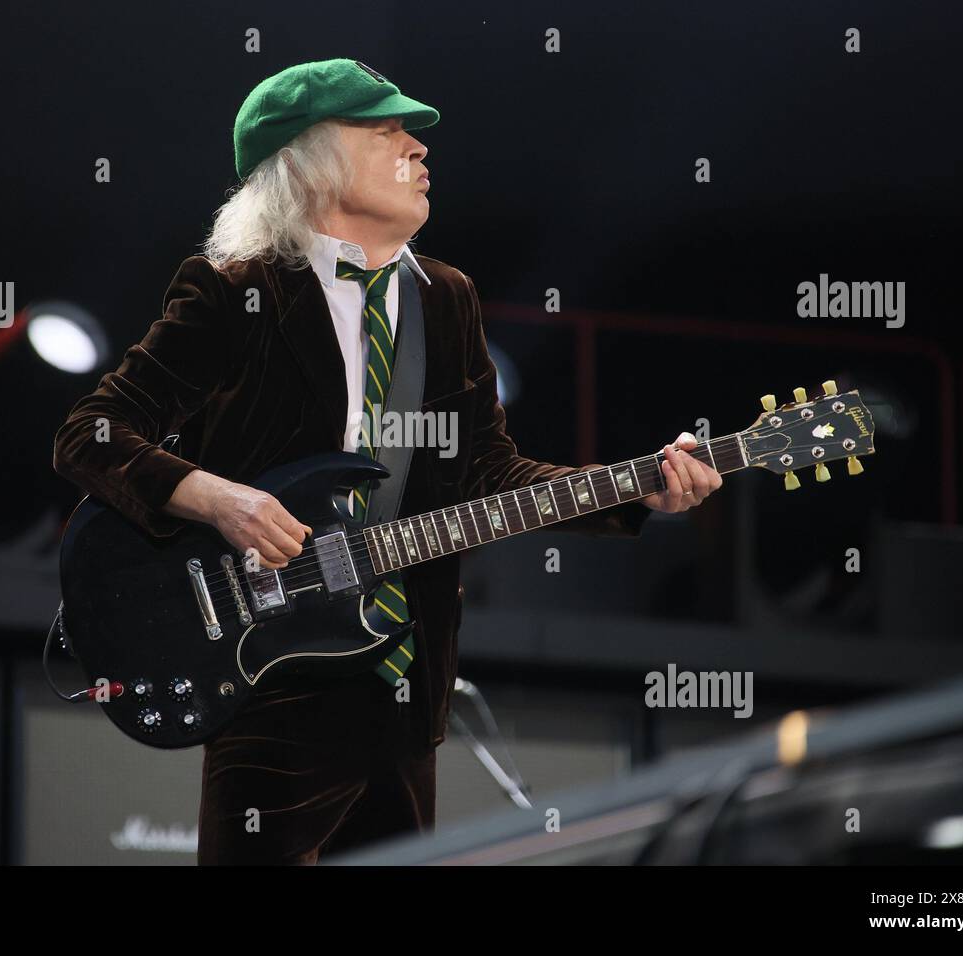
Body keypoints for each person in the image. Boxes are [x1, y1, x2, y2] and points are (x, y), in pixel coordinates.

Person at [53, 58, 722, 865]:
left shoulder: (447, 299)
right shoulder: (237, 292)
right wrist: (217, 500)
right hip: (271, 682)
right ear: (312, 157)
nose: (418, 148)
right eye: (386, 130)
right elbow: (91, 432)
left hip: (404, 689)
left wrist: (640, 487)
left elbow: (489, 476)